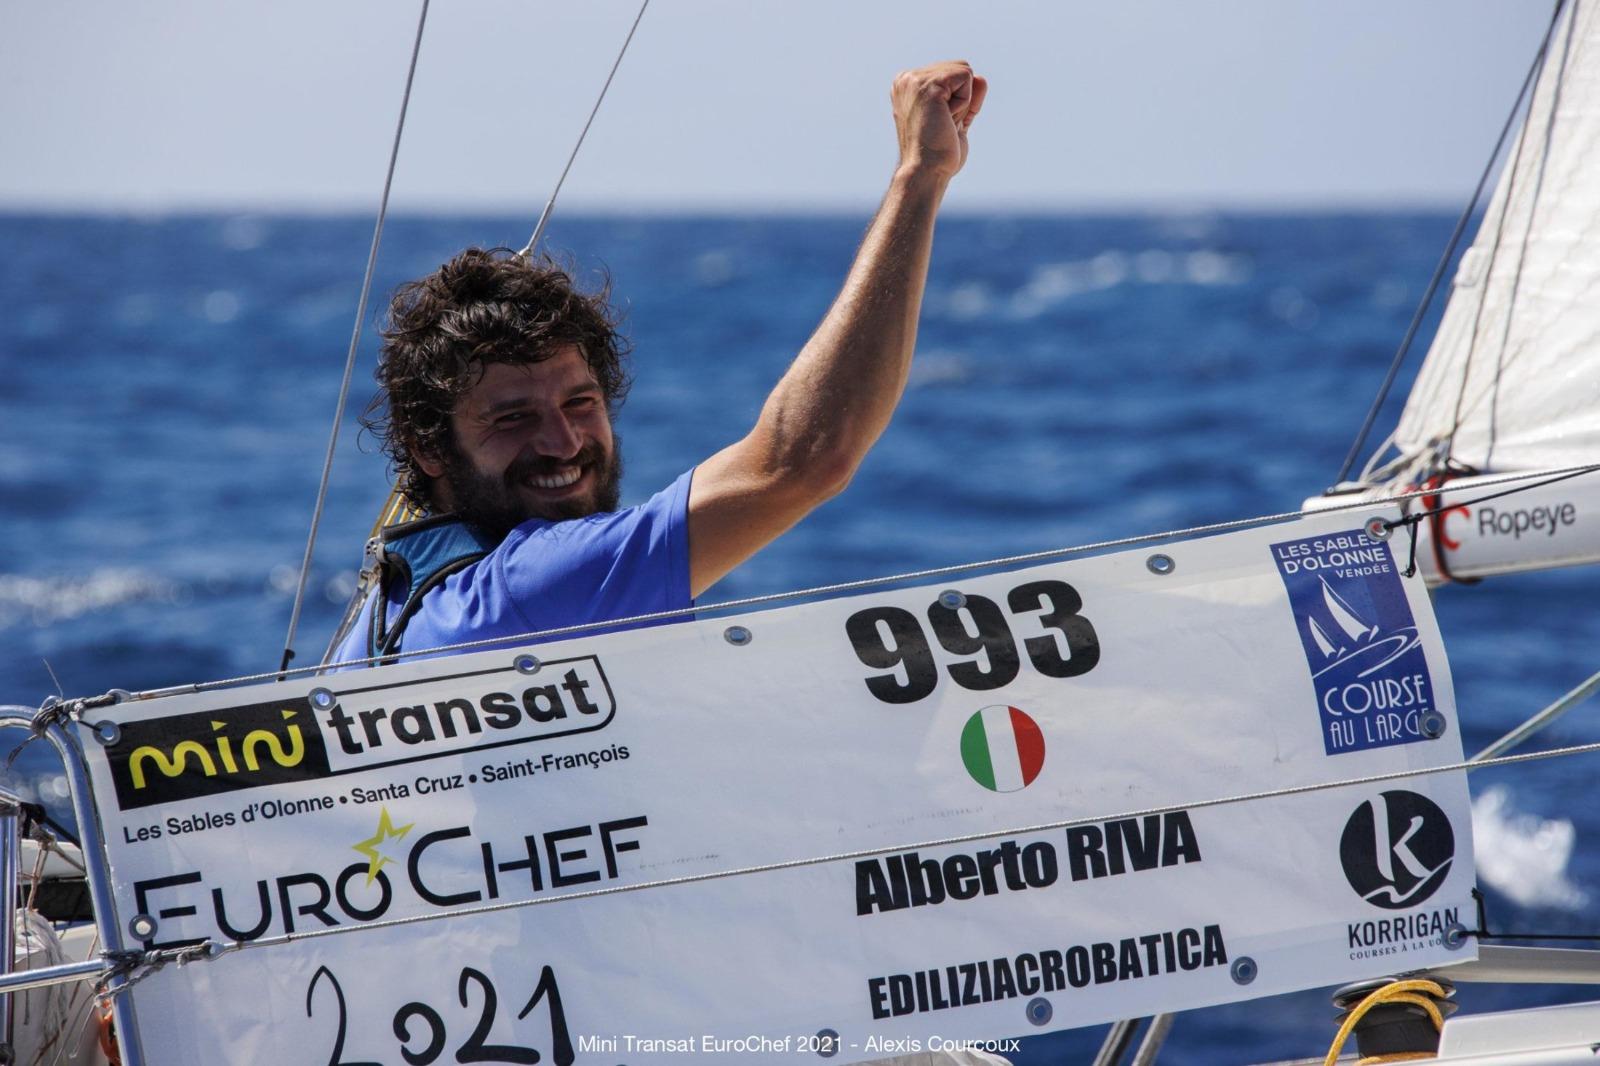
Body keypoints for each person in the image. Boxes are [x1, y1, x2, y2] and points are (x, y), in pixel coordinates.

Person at [331, 60, 988, 668]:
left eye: (579, 404)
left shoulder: (383, 612)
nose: (562, 443)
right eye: (512, 418)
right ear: (429, 450)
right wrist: (921, 173)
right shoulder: (530, 587)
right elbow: (804, 460)